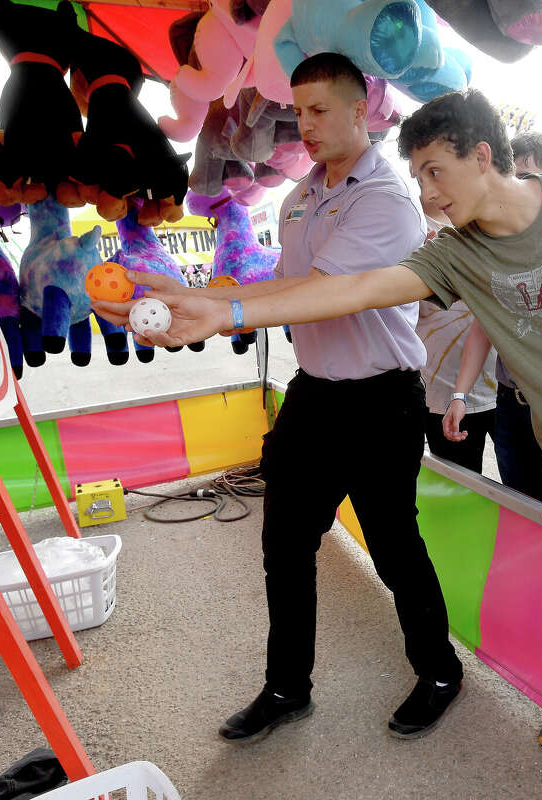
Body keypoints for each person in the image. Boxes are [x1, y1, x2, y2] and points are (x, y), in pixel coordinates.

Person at [94, 87, 542, 751]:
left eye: (434, 173)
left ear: (482, 156)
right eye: (417, 177)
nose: (426, 195)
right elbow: (352, 289)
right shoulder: (455, 254)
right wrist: (220, 308)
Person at [184, 52, 464, 744]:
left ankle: (439, 671)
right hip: (313, 397)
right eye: (297, 111)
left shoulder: (387, 201)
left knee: (395, 551)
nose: (303, 126)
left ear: (360, 110)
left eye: (318, 111)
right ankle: (286, 688)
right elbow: (282, 280)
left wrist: (224, 310)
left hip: (381, 401)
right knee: (283, 545)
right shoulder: (298, 196)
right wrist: (195, 296)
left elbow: (314, 297)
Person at [443, 132, 542, 510]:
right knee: (524, 509)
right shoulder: (495, 250)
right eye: (511, 175)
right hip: (514, 406)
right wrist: (459, 395)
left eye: (526, 176)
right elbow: (483, 326)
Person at [416, 201, 498, 472]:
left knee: (529, 496)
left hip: (508, 388)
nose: (431, 187)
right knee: (459, 492)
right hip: (442, 391)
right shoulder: (407, 225)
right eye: (425, 171)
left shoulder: (493, 221)